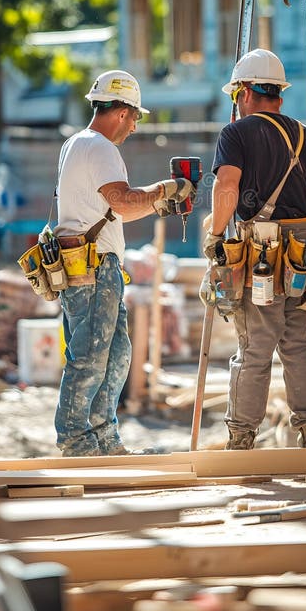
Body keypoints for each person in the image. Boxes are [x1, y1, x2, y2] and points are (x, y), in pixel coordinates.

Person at [203, 49, 306, 450]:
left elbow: (227, 186)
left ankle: (242, 439)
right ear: (278, 93)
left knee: (255, 348)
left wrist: (216, 236)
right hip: (302, 259)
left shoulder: (236, 134)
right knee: (299, 347)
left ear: (244, 92)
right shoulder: (305, 135)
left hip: (261, 256)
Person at [54, 70, 193, 457]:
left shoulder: (77, 145)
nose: (134, 126)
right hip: (93, 267)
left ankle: (102, 436)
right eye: (135, 117)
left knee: (115, 355)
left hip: (93, 264)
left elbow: (118, 211)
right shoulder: (99, 147)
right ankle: (75, 440)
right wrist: (166, 189)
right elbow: (123, 200)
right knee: (91, 356)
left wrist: (157, 201)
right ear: (121, 111)